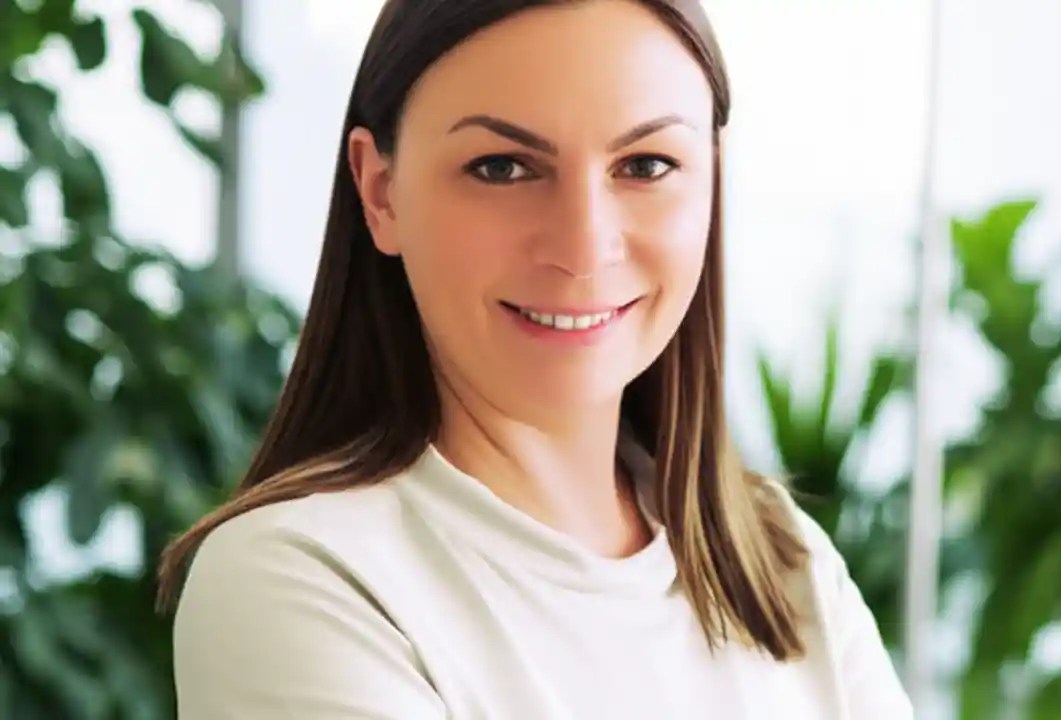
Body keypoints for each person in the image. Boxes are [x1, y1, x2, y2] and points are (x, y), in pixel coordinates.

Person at [158, 0, 914, 717]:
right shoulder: (299, 580)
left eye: (646, 165)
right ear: (381, 191)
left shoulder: (784, 561)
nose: (584, 248)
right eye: (502, 168)